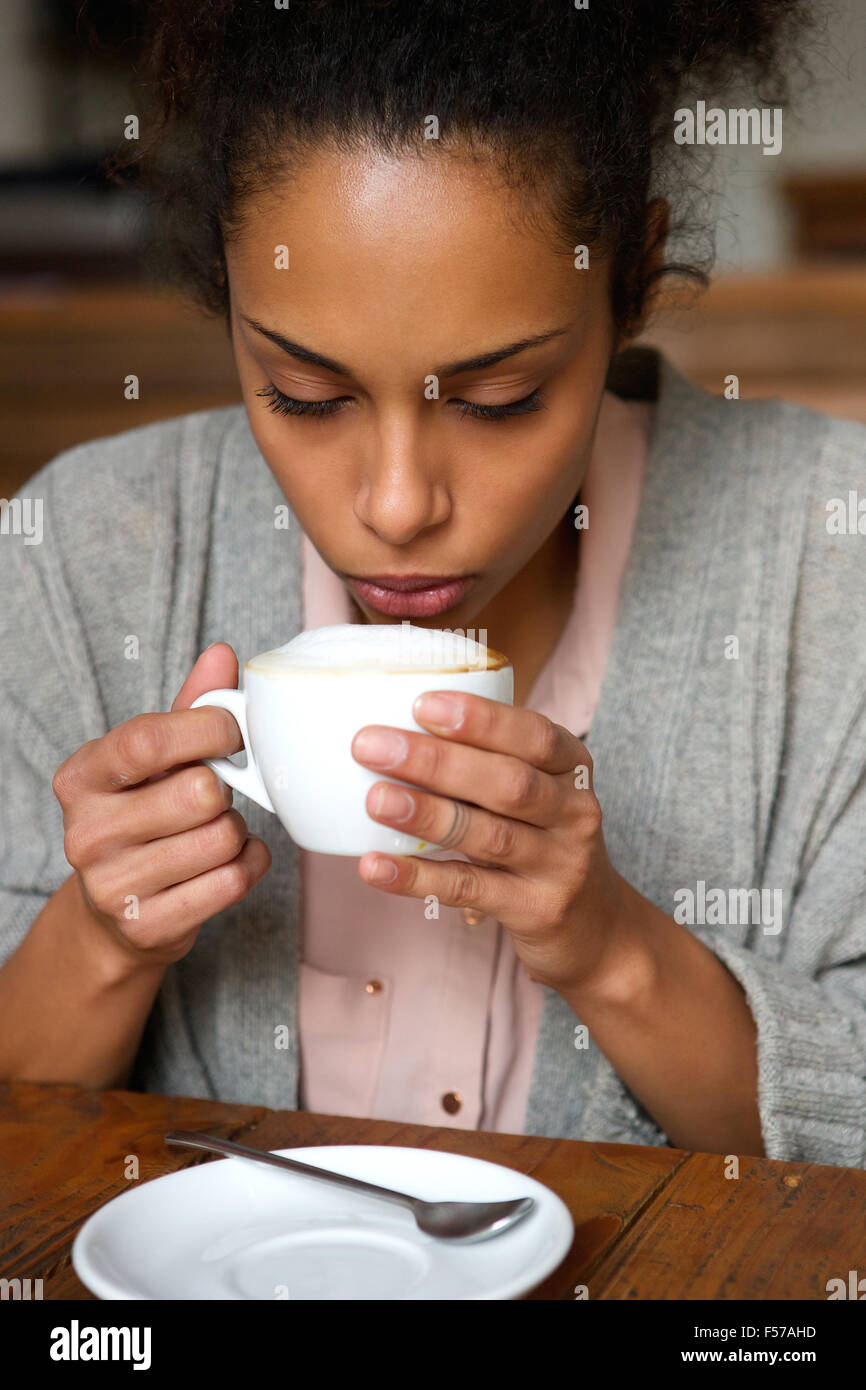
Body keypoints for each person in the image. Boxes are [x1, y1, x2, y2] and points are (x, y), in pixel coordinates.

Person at [1, 0, 863, 1168]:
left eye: (498, 399)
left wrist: (611, 949)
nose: (397, 505)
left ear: (634, 278)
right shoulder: (82, 556)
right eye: (305, 394)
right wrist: (103, 935)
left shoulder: (828, 558)